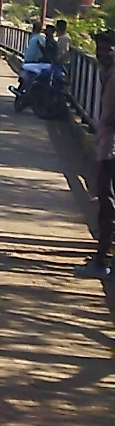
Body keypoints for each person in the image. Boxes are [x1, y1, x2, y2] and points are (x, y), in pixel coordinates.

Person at [75, 30, 115, 280]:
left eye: (107, 49)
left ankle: (102, 261)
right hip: (106, 144)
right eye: (98, 49)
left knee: (107, 204)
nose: (101, 54)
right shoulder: (106, 73)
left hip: (111, 148)